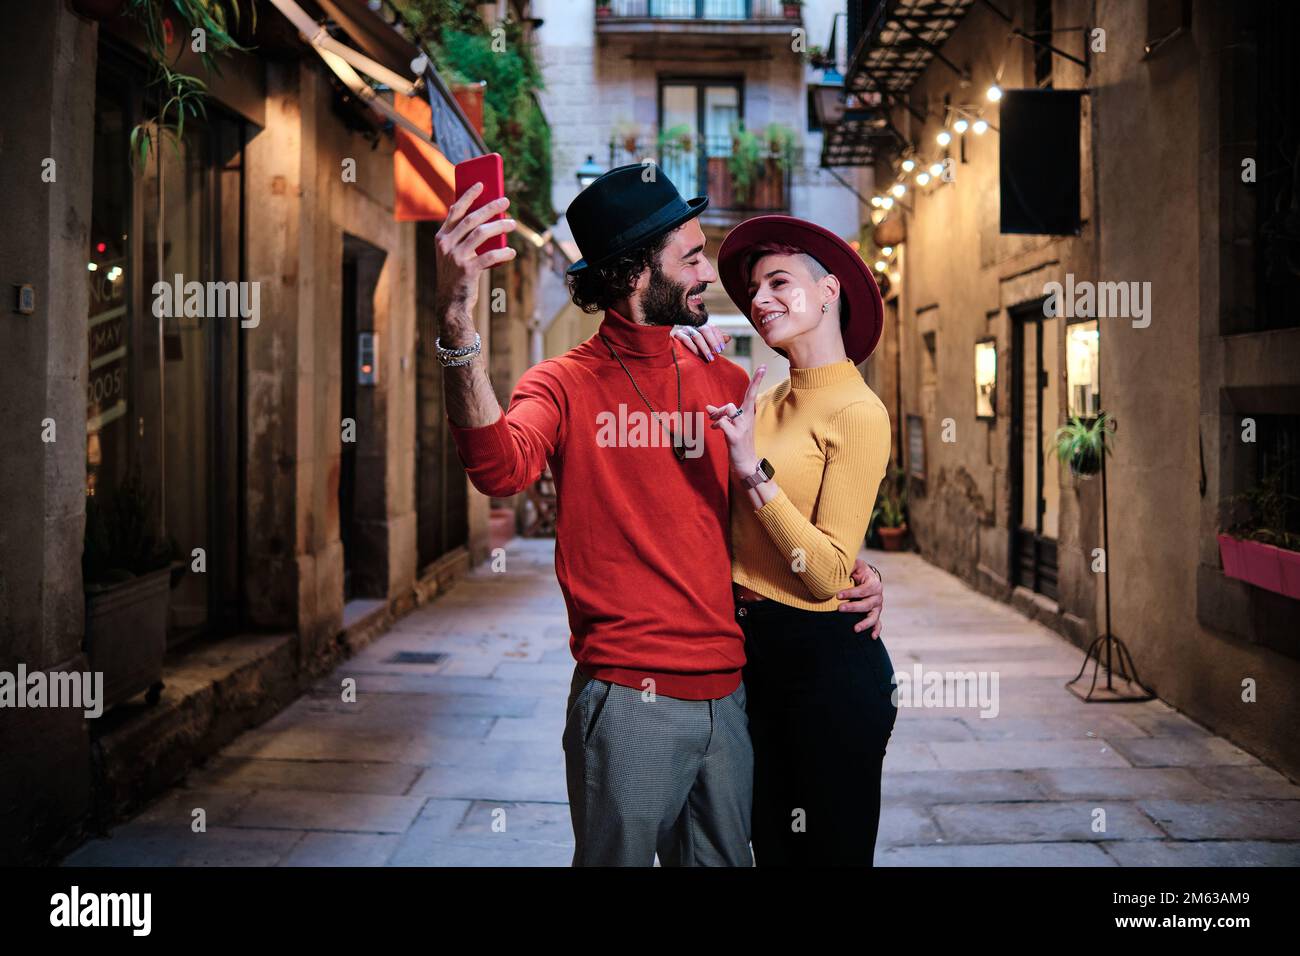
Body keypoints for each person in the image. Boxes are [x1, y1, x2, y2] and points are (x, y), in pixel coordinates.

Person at [432, 165, 887, 866]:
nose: (712, 272)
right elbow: (498, 467)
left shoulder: (728, 380)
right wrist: (458, 321)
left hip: (735, 693)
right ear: (637, 273)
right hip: (626, 700)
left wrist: (854, 567)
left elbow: (777, 512)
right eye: (694, 258)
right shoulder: (561, 382)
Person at [676, 214, 897, 866]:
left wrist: (753, 474)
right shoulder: (763, 402)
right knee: (771, 850)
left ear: (829, 290)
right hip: (752, 659)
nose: (759, 298)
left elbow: (827, 573)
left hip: (825, 669)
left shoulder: (859, 411)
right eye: (752, 288)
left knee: (825, 858)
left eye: (779, 281)